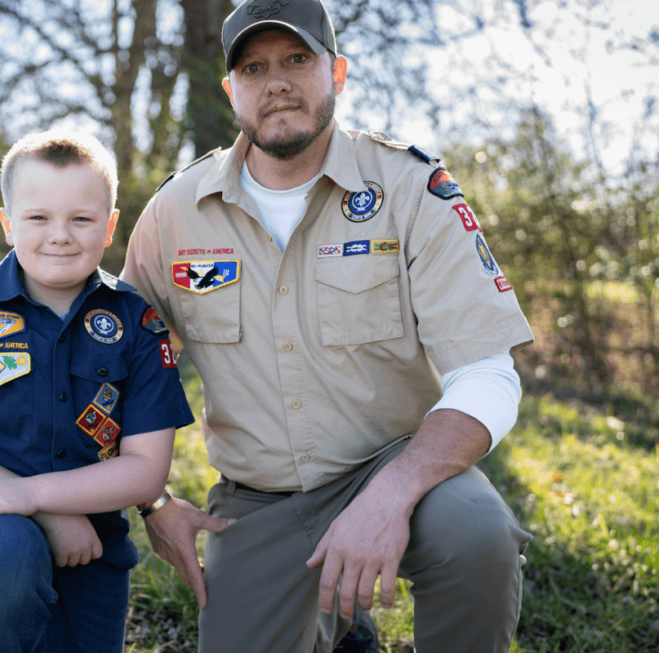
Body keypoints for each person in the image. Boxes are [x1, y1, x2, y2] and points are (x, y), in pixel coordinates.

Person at [121, 0, 535, 651]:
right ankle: (344, 634)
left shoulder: (409, 189)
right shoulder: (176, 213)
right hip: (258, 499)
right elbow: (118, 373)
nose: (276, 82)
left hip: (397, 465)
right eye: (254, 67)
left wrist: (393, 490)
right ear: (231, 91)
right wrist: (153, 501)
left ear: (336, 71)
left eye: (297, 59)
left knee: (477, 536)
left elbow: (487, 372)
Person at [0, 129, 195, 653]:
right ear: (8, 224)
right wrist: (39, 511)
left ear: (110, 227)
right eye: (37, 218)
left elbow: (147, 469)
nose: (60, 235)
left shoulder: (137, 321)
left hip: (95, 541)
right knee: (9, 553)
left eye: (81, 218)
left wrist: (35, 496)